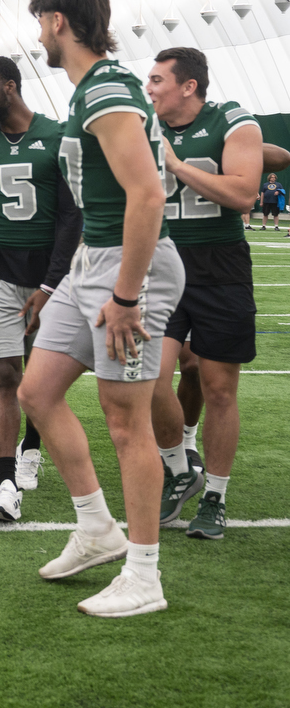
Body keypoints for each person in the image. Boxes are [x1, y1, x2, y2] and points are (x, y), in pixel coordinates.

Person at [15, 0, 184, 617]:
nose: (40, 36)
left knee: (125, 421)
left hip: (125, 270)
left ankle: (144, 575)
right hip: (94, 259)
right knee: (37, 391)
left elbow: (147, 194)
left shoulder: (107, 87)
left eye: (41, 22)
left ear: (59, 21)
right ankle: (96, 528)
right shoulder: (94, 91)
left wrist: (129, 295)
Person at [0, 55, 82, 522]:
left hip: (50, 275)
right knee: (6, 375)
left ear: (10, 86)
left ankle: (33, 444)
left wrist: (51, 284)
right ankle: (6, 482)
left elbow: (72, 215)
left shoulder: (58, 135)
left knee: (41, 376)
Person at [144, 47, 263, 539]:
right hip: (162, 265)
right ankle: (178, 472)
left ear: (188, 86)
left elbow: (241, 195)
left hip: (219, 265)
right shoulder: (140, 125)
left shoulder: (231, 119)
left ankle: (215, 496)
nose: (148, 88)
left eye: (156, 80)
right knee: (147, 377)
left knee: (218, 388)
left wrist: (173, 163)